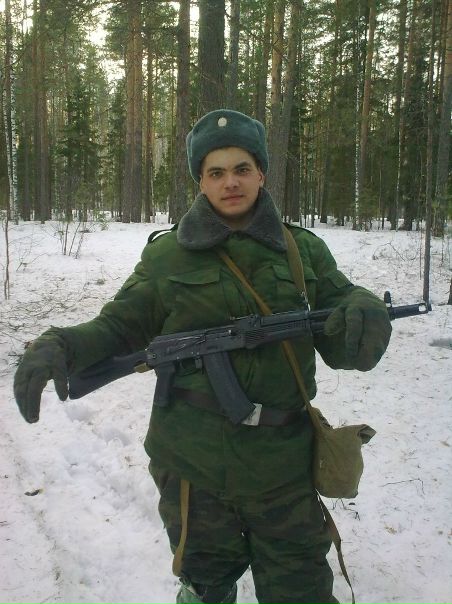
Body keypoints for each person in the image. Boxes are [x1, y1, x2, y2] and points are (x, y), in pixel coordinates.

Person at [14, 109, 392, 604]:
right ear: (201, 181)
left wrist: (364, 309)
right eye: (216, 172)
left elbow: (342, 325)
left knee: (301, 589)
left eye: (241, 169)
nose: (230, 182)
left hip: (284, 465)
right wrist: (62, 344)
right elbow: (119, 325)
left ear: (261, 174)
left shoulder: (302, 250)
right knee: (205, 587)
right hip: (193, 466)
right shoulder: (167, 255)